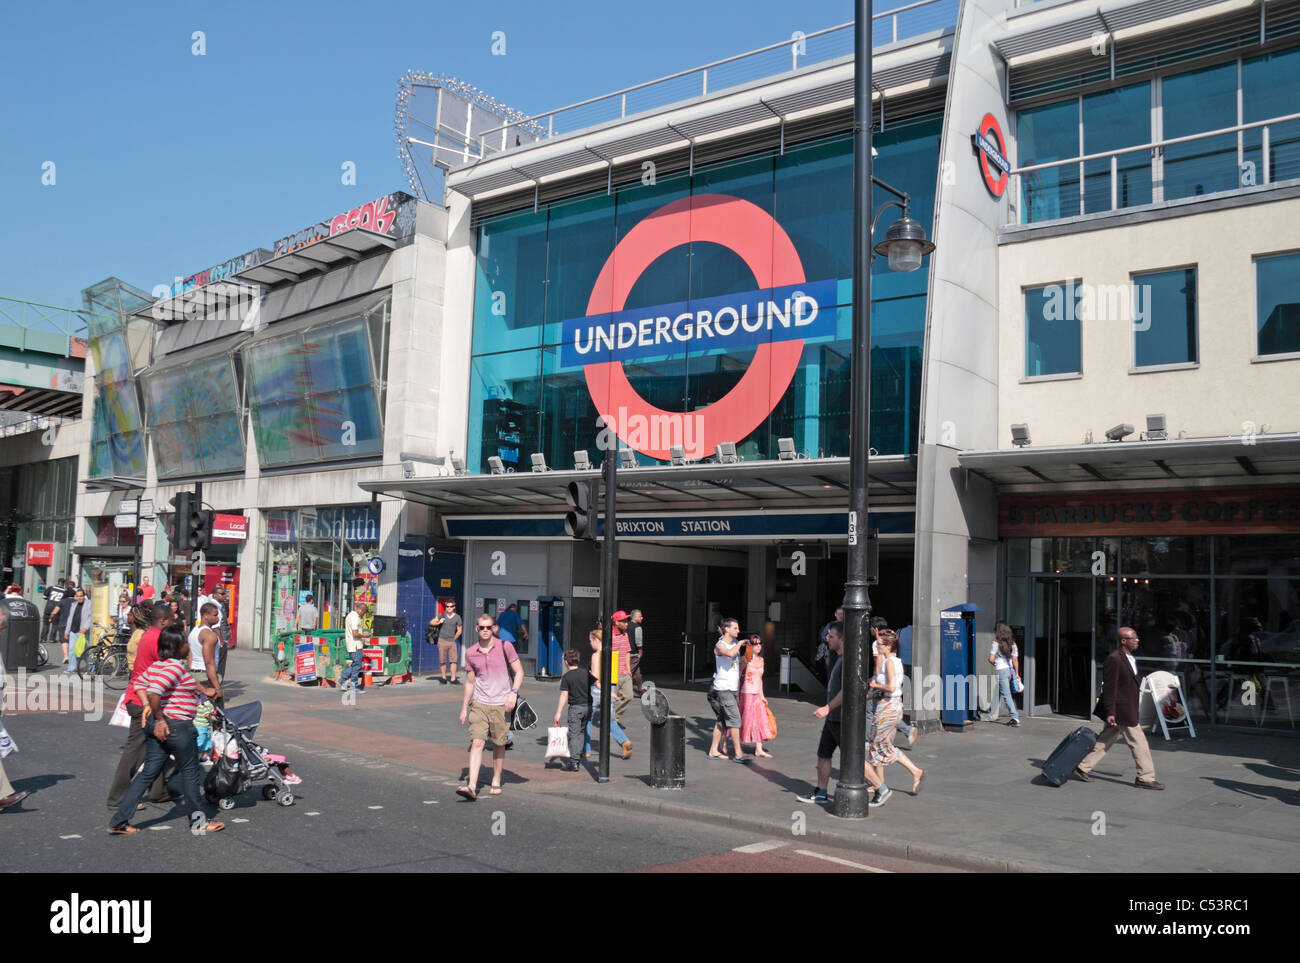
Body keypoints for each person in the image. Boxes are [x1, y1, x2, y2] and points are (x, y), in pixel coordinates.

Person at [108, 625, 224, 836]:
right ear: (178, 646)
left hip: (160, 726)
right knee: (190, 773)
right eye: (185, 641)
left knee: (148, 773)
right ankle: (199, 822)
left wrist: (207, 690)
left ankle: (120, 820)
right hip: (176, 727)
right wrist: (158, 716)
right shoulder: (175, 668)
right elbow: (154, 691)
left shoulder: (159, 666)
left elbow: (140, 685)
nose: (189, 644)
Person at [1075, 627, 1165, 790]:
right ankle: (1145, 777)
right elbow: (1110, 687)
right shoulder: (1115, 659)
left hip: (1125, 707)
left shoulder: (1129, 658)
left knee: (1105, 739)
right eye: (1133, 638)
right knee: (1139, 743)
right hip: (1121, 710)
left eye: (1137, 638)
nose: (1137, 640)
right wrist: (1110, 712)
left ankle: (1082, 766)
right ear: (1123, 641)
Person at [106, 603, 174, 811]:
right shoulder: (156, 639)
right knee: (135, 751)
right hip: (143, 701)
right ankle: (117, 798)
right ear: (163, 620)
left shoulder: (148, 635)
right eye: (171, 619)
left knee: (160, 745)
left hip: (143, 697)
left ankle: (158, 790)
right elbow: (167, 669)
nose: (174, 621)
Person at [457, 614, 524, 800]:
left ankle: (496, 778)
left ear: (494, 628)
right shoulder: (470, 652)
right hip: (479, 703)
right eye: (482, 627)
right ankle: (471, 786)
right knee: (477, 742)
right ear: (476, 629)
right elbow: (470, 682)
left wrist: (513, 693)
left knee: (498, 743)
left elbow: (519, 672)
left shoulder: (505, 646)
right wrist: (464, 707)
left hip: (502, 704)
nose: (485, 630)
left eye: (489, 627)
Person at [863, 629, 924, 807]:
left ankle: (912, 772)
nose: (878, 646)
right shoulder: (894, 661)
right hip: (890, 705)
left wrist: (875, 685)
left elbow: (890, 687)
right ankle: (879, 786)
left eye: (880, 644)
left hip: (888, 706)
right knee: (877, 746)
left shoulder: (890, 662)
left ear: (889, 646)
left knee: (879, 746)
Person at [803, 620, 845, 803]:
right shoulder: (838, 657)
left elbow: (846, 691)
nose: (827, 639)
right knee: (823, 754)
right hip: (832, 719)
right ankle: (821, 792)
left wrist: (827, 708)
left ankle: (880, 787)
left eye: (831, 636)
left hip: (840, 718)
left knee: (852, 758)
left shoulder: (847, 661)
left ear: (841, 639)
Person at [869, 617, 918, 747]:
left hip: (883, 679)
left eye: (871, 628)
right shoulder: (893, 636)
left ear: (876, 629)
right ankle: (906, 731)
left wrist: (875, 680)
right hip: (900, 670)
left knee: (872, 710)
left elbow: (878, 664)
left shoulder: (877, 643)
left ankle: (872, 739)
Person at [585, 628, 633, 760]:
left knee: (588, 719)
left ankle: (587, 748)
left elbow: (595, 677)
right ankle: (624, 741)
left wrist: (589, 675)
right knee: (609, 719)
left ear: (596, 640)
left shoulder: (595, 655)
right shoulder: (612, 655)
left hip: (596, 691)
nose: (590, 644)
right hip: (610, 688)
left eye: (591, 641)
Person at [707, 617, 748, 762]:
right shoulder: (720, 645)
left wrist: (746, 658)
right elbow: (729, 653)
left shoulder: (735, 643)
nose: (738, 631)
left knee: (722, 720)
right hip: (723, 689)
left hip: (732, 688)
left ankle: (713, 750)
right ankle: (738, 753)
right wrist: (742, 643)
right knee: (735, 719)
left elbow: (737, 663)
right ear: (727, 629)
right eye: (735, 628)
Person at [552, 648, 590, 772]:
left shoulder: (567, 676)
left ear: (566, 662)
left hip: (575, 708)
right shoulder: (585, 672)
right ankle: (577, 755)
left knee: (574, 734)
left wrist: (558, 712)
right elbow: (597, 683)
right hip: (587, 707)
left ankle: (574, 762)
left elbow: (564, 695)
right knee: (581, 732)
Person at [738, 633, 774, 758]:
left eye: (760, 643)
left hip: (756, 693)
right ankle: (728, 743)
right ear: (750, 646)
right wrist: (737, 694)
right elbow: (738, 676)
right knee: (744, 719)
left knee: (759, 719)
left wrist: (762, 695)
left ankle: (758, 749)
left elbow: (760, 679)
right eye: (755, 644)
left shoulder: (761, 660)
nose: (758, 646)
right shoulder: (745, 659)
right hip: (746, 692)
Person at [988, 620, 1022, 727]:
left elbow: (990, 659)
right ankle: (991, 712)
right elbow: (1015, 660)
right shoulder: (1013, 643)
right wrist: (1016, 674)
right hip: (1009, 671)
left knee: (1006, 694)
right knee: (999, 691)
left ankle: (1014, 717)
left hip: (1001, 671)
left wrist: (996, 663)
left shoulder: (996, 643)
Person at [188, 603, 223, 704]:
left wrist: (192, 675)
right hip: (206, 677)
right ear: (205, 616)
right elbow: (209, 662)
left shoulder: (194, 631)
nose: (218, 618)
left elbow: (190, 655)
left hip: (195, 674)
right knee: (214, 713)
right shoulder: (209, 635)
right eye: (215, 615)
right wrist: (217, 687)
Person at [339, 598, 370, 692]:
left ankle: (342, 680)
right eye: (364, 613)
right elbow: (355, 633)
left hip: (352, 644)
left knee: (355, 664)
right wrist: (364, 635)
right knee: (357, 666)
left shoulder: (350, 615)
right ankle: (354, 685)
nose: (363, 615)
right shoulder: (355, 617)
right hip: (355, 645)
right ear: (361, 610)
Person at [611, 611, 635, 727]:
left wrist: (629, 669)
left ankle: (614, 716)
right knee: (611, 699)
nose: (626, 623)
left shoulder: (625, 635)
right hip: (613, 673)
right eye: (624, 621)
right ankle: (612, 720)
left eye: (626, 621)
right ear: (616, 622)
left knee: (629, 696)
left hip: (624, 672)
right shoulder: (609, 636)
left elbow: (627, 652)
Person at [60, 586, 92, 674]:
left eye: (81, 596)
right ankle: (71, 667)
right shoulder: (74, 604)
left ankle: (91, 666)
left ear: (84, 596)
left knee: (85, 651)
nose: (79, 598)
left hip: (83, 631)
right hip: (73, 631)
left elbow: (90, 617)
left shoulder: (89, 604)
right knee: (71, 650)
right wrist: (67, 631)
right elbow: (70, 618)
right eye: (77, 596)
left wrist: (86, 627)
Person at [42, 577, 66, 646]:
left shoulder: (51, 588)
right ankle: (52, 638)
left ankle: (43, 638)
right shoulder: (64, 591)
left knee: (46, 624)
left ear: (58, 582)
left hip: (48, 608)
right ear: (63, 584)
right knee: (55, 624)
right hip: (57, 609)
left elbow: (44, 597)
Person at [628, 609, 646, 696]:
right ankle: (621, 691)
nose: (642, 618)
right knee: (629, 672)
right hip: (634, 653)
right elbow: (638, 641)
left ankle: (641, 691)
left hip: (626, 652)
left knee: (637, 673)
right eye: (640, 616)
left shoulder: (626, 625)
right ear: (635, 617)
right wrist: (640, 651)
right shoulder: (637, 627)